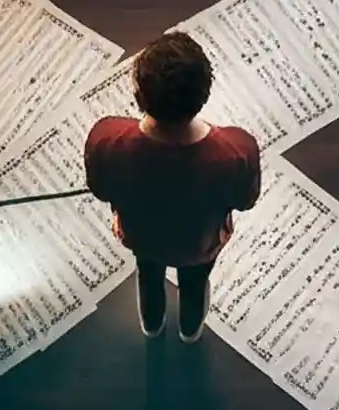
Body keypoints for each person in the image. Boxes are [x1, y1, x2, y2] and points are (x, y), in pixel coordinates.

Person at [84, 32, 261, 343]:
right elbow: (245, 201)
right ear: (205, 92)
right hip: (200, 244)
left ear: (138, 93)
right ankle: (190, 332)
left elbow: (101, 190)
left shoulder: (106, 138)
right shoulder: (237, 150)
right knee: (195, 284)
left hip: (141, 236)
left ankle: (152, 327)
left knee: (147, 275)